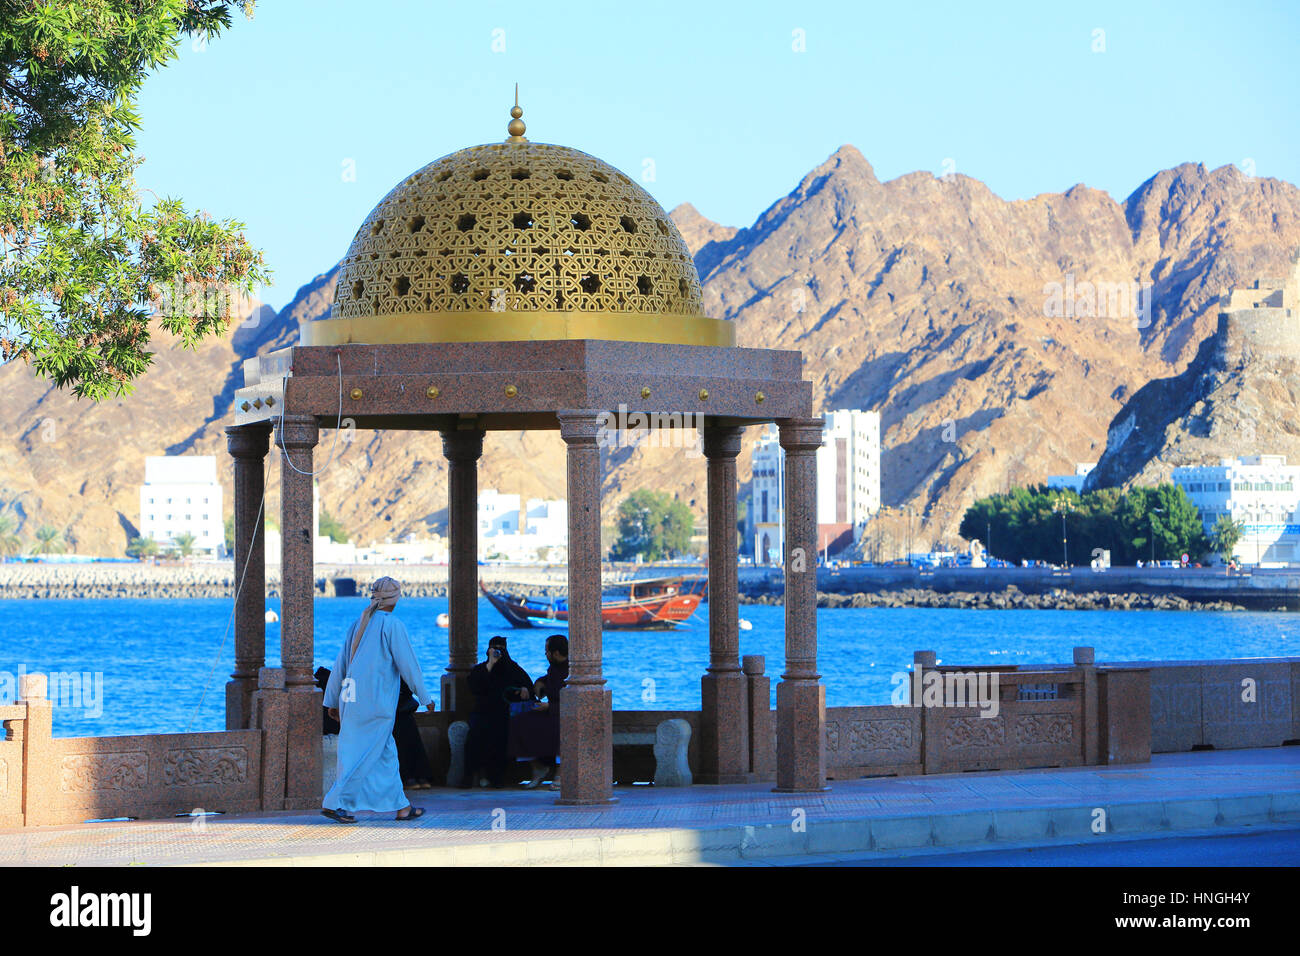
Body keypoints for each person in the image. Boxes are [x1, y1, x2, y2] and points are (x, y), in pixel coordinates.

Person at [321, 576, 432, 823]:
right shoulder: (391, 624)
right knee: (363, 754)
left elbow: (340, 665)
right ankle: (335, 802)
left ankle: (401, 807)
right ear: (395, 598)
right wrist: (425, 696)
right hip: (375, 703)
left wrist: (332, 701)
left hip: (352, 699)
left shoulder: (359, 622)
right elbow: (408, 664)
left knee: (385, 755)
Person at [463, 635, 531, 788]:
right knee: (475, 738)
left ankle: (498, 778)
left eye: (501, 649)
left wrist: (524, 688)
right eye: (494, 649)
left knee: (501, 738)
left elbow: (527, 685)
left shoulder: (513, 669)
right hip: (482, 712)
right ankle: (471, 776)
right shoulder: (480, 669)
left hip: (503, 713)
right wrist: (490, 666)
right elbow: (475, 687)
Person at [509, 634, 568, 790]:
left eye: (547, 651)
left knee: (562, 731)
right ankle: (538, 768)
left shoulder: (573, 668)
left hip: (567, 716)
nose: (545, 654)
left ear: (555, 653)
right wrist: (540, 682)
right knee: (518, 723)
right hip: (550, 713)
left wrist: (549, 707)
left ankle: (562, 772)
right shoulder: (554, 667)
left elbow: (578, 701)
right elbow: (550, 678)